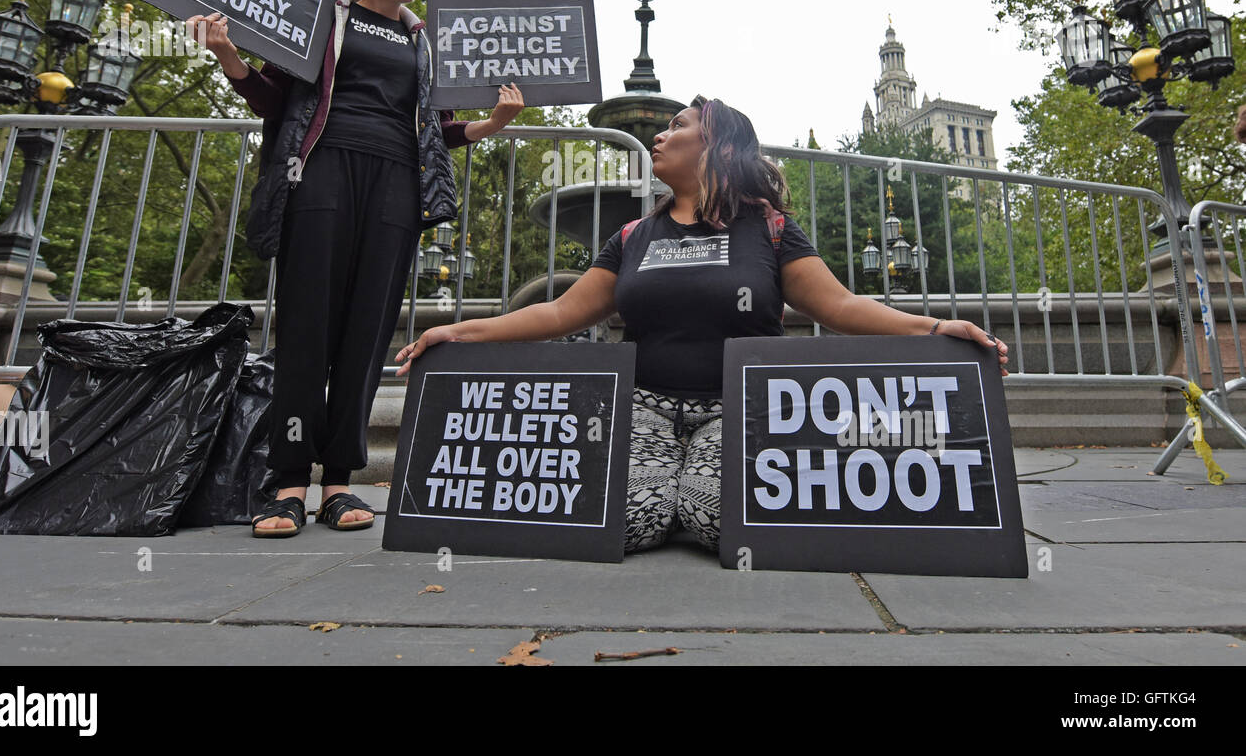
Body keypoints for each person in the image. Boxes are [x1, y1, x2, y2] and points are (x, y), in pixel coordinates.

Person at [396, 95, 1009, 553]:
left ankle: (690, 494)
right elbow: (559, 312)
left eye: (676, 127)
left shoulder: (767, 227)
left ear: (716, 147)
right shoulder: (633, 235)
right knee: (630, 525)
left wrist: (931, 330)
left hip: (739, 409)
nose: (660, 139)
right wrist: (461, 332)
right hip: (646, 405)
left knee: (719, 520)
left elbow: (840, 307)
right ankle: (669, 497)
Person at [197, 0, 524, 537]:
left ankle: (340, 482)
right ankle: (288, 481)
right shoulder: (323, 20)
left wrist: (494, 124)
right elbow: (274, 100)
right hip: (321, 171)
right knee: (306, 322)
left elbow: (439, 131)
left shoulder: (428, 42)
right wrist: (227, 54)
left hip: (397, 184)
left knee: (369, 327)